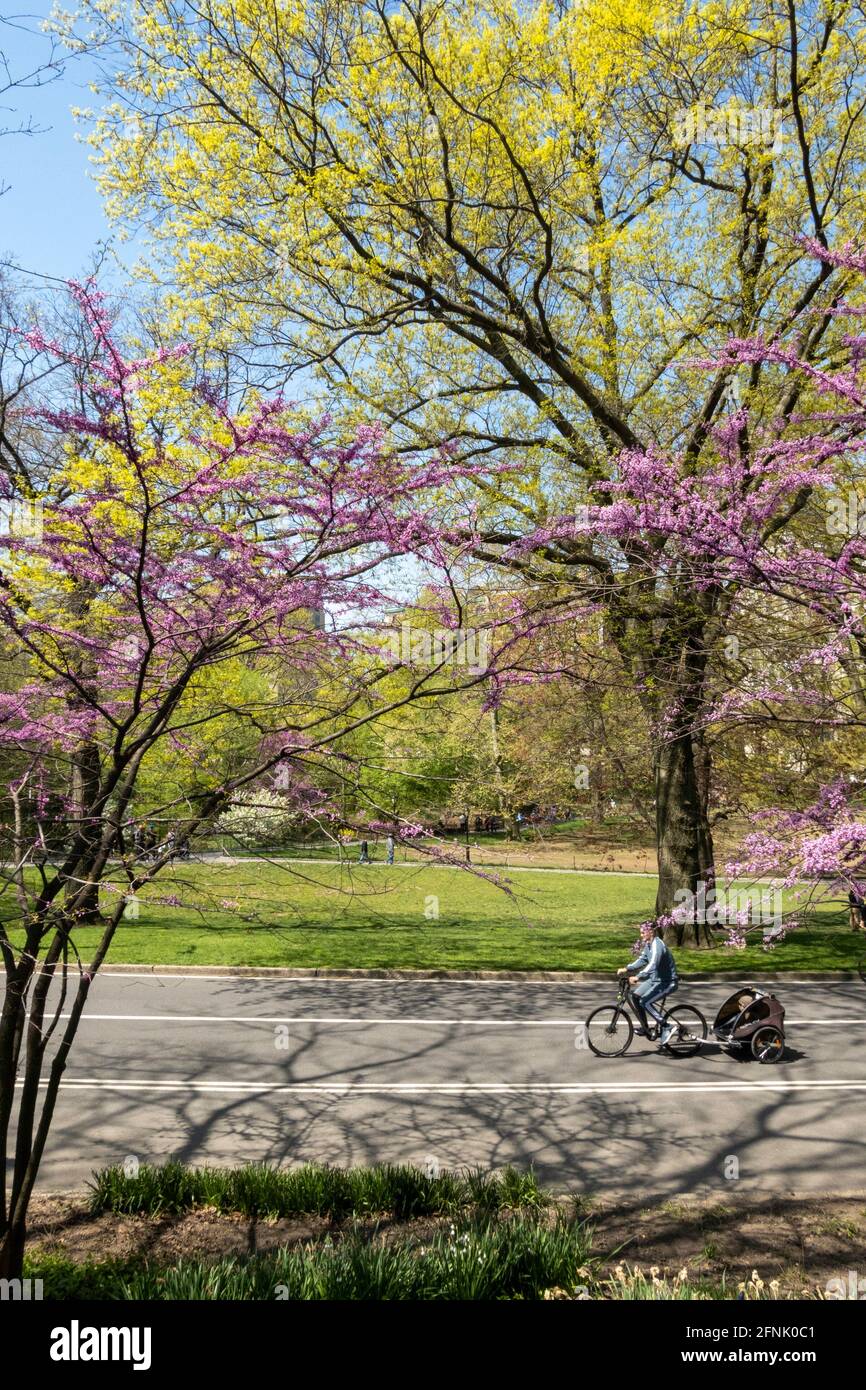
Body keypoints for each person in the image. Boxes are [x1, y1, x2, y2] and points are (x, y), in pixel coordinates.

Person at [618, 921, 679, 1049]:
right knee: (635, 996)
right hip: (654, 980)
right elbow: (643, 959)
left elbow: (653, 965)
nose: (641, 935)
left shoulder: (658, 945)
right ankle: (645, 1027)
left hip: (667, 982)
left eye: (642, 932)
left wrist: (638, 976)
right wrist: (627, 969)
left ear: (651, 931)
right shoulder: (648, 945)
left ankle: (667, 1026)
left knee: (645, 1002)